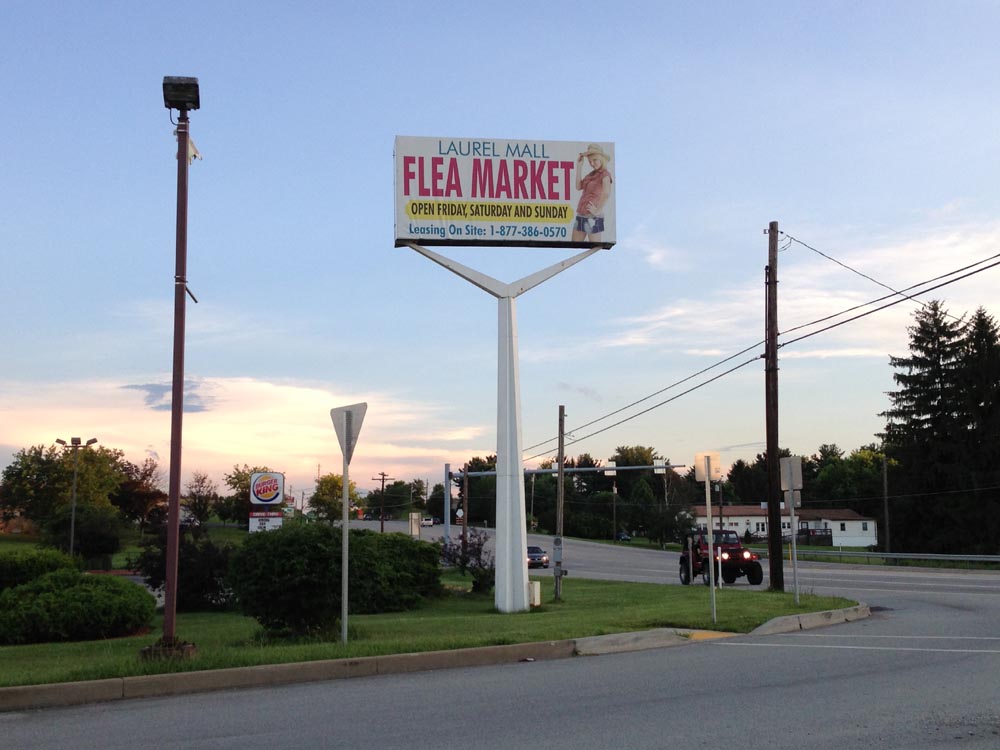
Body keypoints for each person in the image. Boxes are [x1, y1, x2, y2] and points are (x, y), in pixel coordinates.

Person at [572, 143, 613, 243]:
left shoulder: (605, 174)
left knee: (595, 247)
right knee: (574, 244)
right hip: (581, 214)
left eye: (594, 160)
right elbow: (578, 187)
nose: (592, 163)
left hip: (592, 216)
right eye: (590, 161)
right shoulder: (590, 175)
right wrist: (579, 167)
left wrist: (597, 210)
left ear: (601, 158)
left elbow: (606, 193)